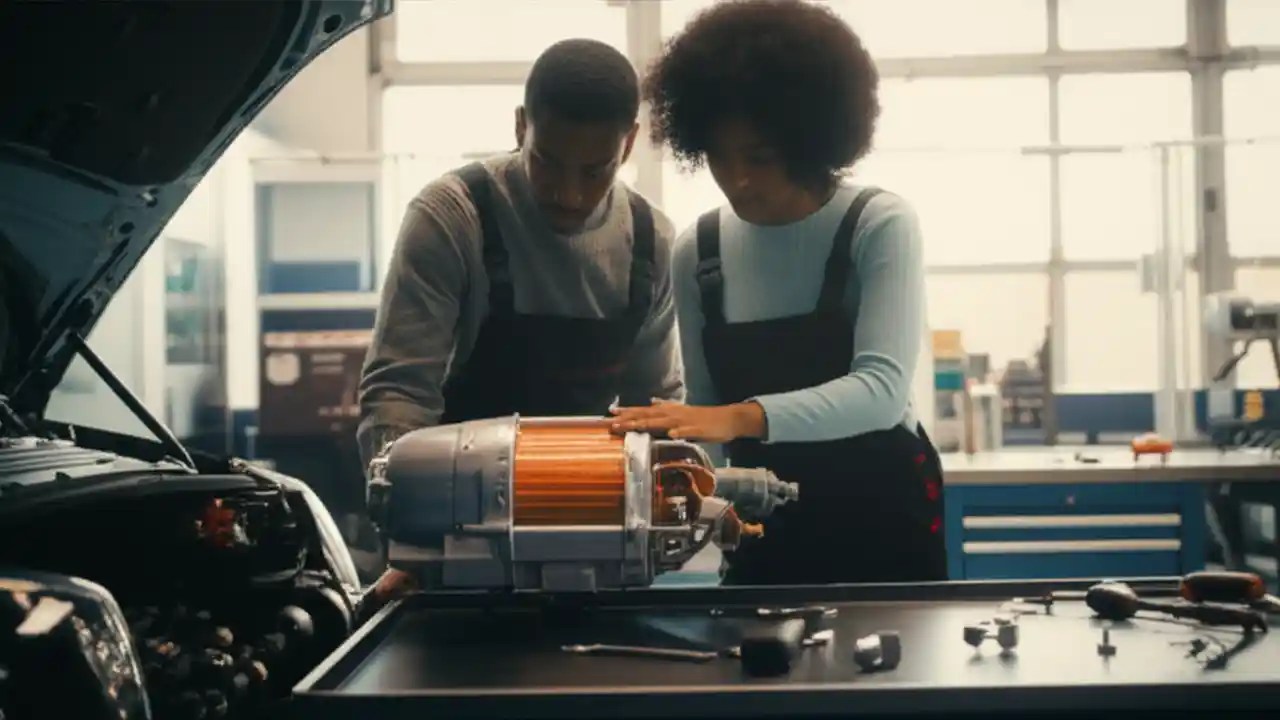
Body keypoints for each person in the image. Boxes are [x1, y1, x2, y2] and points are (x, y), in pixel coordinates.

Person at [611, 0, 946, 586]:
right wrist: (708, 502)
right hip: (765, 527)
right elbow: (705, 408)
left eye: (759, 158)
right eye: (718, 156)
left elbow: (881, 392)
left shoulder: (877, 224)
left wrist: (736, 419)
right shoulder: (699, 252)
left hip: (885, 522)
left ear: (808, 141)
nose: (737, 179)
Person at [358, 38, 683, 468]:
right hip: (457, 494)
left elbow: (656, 412)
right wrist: (405, 493)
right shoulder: (453, 218)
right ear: (520, 127)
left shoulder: (652, 241)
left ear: (627, 145)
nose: (569, 195)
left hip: (589, 494)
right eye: (548, 162)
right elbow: (399, 395)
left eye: (594, 171)